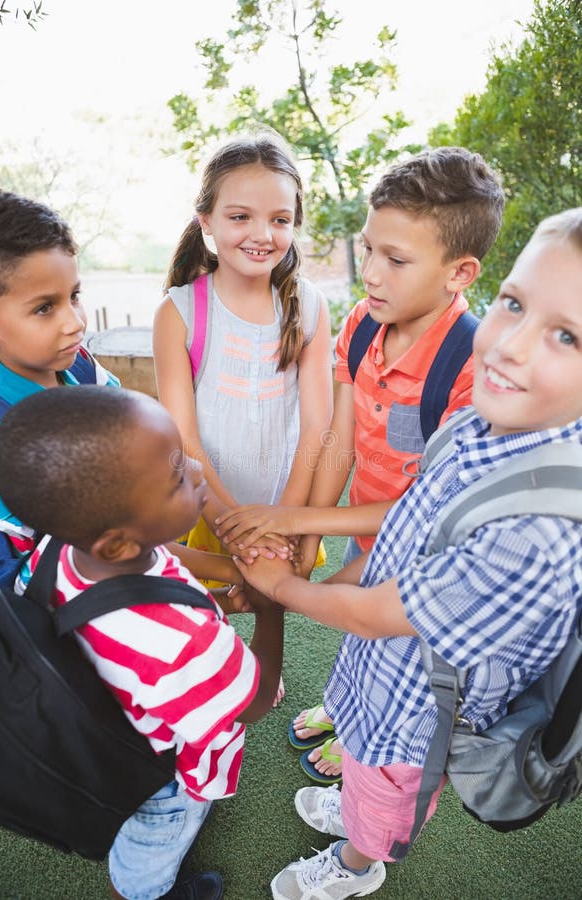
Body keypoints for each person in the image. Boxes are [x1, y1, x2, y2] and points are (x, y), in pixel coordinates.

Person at [232, 206, 582, 899]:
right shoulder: (480, 416)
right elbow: (406, 527)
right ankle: (356, 807)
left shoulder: (544, 529)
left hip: (423, 703)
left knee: (390, 791)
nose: (508, 345)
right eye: (513, 304)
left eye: (566, 336)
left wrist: (280, 586)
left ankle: (360, 863)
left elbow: (384, 615)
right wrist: (340, 569)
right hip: (382, 670)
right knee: (364, 761)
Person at [216, 146, 505, 779]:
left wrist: (290, 544)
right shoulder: (365, 323)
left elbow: (426, 510)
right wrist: (303, 536)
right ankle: (348, 710)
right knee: (354, 633)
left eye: (395, 260)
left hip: (428, 552)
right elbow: (337, 443)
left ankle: (368, 738)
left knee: (394, 649)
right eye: (370, 249)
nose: (371, 273)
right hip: (365, 531)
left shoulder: (472, 371)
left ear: (460, 273)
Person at [0, 385, 285, 900]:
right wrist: (272, 610)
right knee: (150, 852)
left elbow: (157, 579)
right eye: (177, 477)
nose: (198, 472)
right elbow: (254, 701)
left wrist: (219, 601)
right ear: (119, 542)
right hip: (161, 775)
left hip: (115, 725)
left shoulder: (64, 545)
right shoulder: (179, 642)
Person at [0, 188, 242, 594]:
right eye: (44, 308)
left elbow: (129, 526)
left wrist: (232, 573)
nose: (74, 323)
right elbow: (28, 590)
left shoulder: (80, 367)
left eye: (75, 296)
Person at [153, 130, 333, 702]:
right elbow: (184, 439)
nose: (262, 234)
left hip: (281, 496)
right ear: (206, 220)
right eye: (240, 216)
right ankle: (212, 673)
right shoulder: (179, 311)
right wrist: (235, 524)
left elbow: (317, 425)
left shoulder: (308, 304)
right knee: (207, 597)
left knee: (270, 596)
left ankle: (268, 674)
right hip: (208, 497)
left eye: (280, 219)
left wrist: (285, 518)